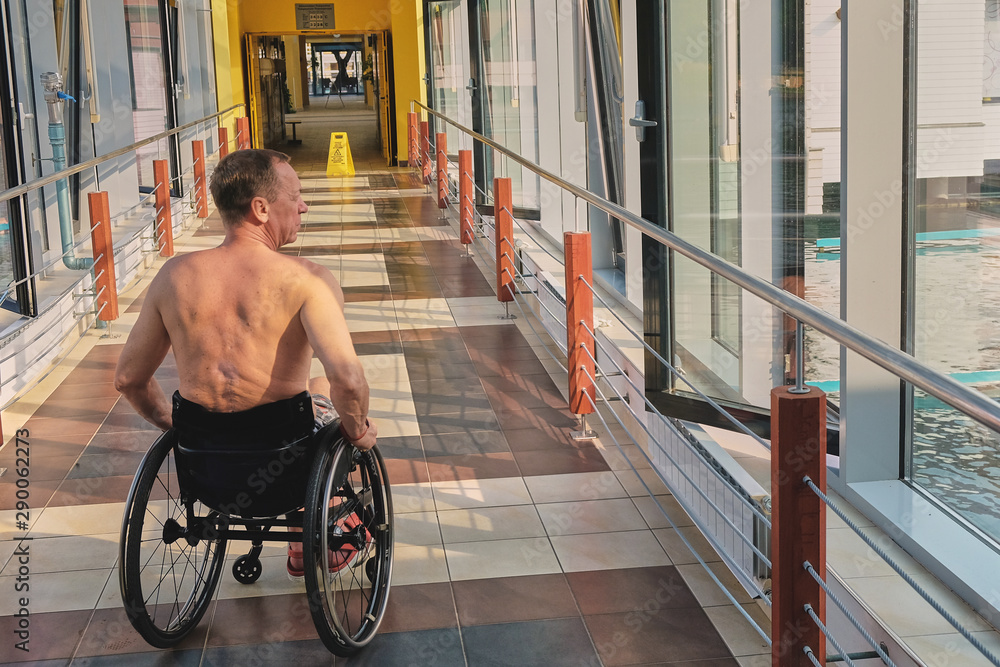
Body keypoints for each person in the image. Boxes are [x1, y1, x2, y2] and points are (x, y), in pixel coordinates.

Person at [114, 148, 377, 577]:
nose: (303, 205)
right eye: (295, 195)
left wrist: (175, 425)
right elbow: (347, 378)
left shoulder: (173, 277)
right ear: (260, 208)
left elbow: (128, 378)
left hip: (207, 468)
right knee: (324, 393)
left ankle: (303, 529)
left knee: (314, 392)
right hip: (285, 466)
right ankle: (320, 525)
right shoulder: (307, 281)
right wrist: (358, 431)